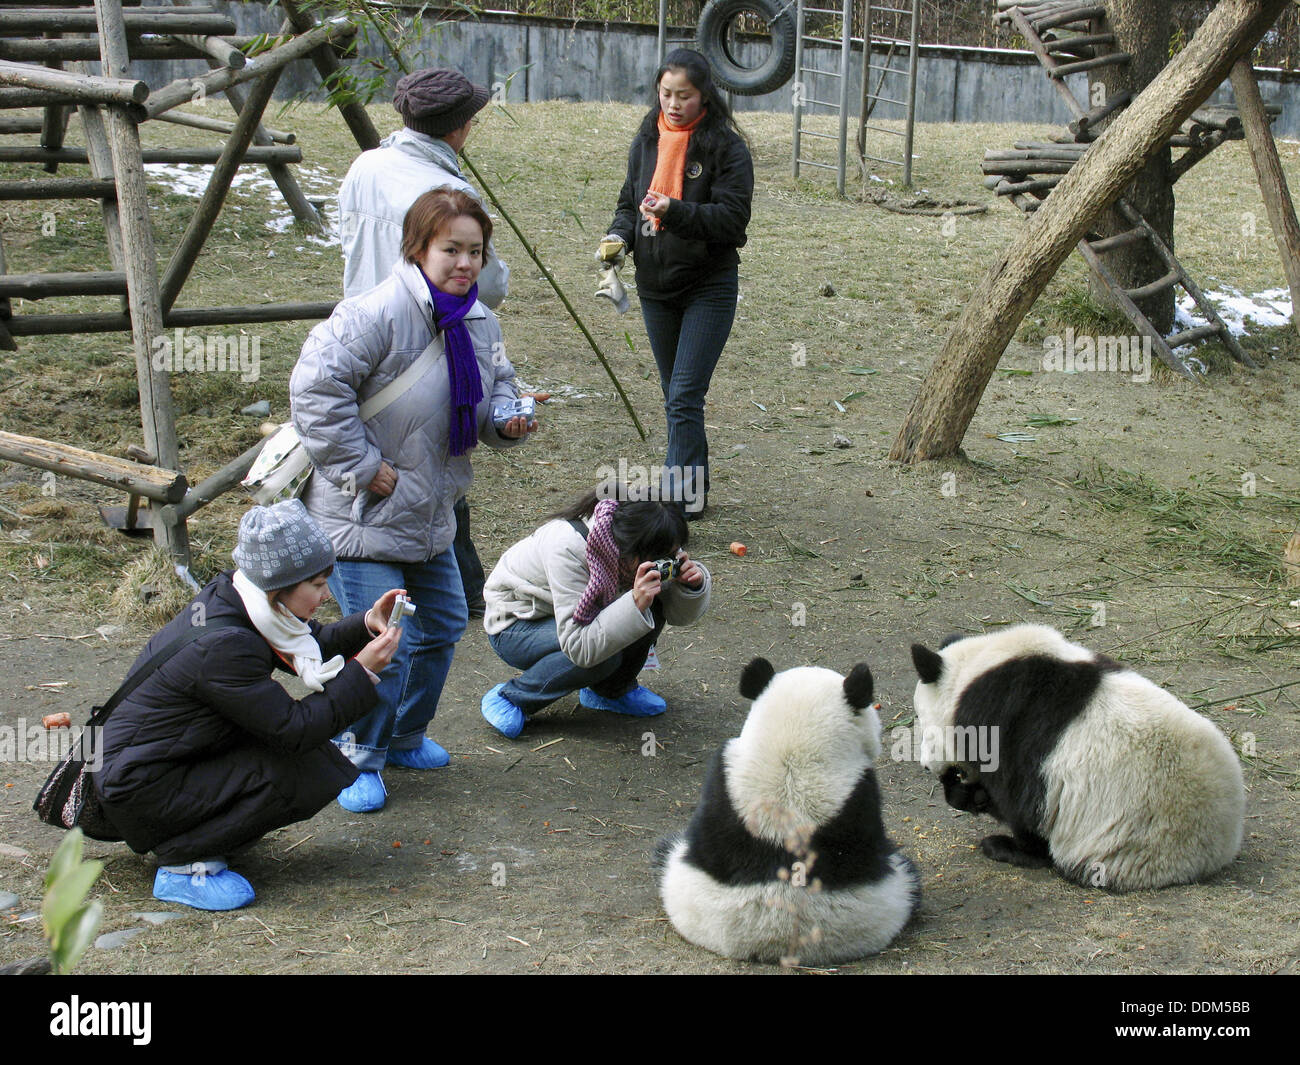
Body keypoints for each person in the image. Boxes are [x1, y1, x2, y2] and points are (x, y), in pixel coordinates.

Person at [292, 187, 536, 813]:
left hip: (431, 513)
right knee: (387, 643)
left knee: (447, 624)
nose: (464, 263)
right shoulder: (373, 314)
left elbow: (496, 387)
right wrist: (362, 465)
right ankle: (356, 754)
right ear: (418, 248)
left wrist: (506, 419)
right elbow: (316, 387)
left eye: (475, 251)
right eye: (450, 249)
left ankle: (403, 735)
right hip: (360, 516)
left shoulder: (478, 320)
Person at [92, 499, 404, 911]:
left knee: (312, 763)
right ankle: (183, 864)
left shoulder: (241, 601)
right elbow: (294, 731)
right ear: (280, 587)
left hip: (154, 762)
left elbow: (309, 646)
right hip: (139, 786)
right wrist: (360, 673)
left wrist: (365, 623)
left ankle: (205, 834)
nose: (326, 594)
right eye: (316, 584)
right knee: (302, 771)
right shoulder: (227, 645)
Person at [340, 66, 509, 615]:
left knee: (384, 448)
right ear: (459, 127)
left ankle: (443, 581)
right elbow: (489, 286)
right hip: (422, 338)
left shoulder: (365, 166)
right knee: (431, 452)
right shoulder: (450, 193)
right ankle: (438, 589)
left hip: (360, 326)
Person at [600, 48, 753, 520]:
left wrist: (675, 210)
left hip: (708, 285)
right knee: (676, 398)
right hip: (655, 289)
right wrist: (618, 236)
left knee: (685, 394)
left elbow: (733, 222)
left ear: (704, 94)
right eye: (665, 93)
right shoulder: (647, 139)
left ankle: (671, 505)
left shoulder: (725, 148)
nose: (671, 103)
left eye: (683, 95)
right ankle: (693, 492)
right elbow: (630, 201)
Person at [479, 487, 711, 738]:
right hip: (515, 623)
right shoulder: (568, 547)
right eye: (660, 557)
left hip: (567, 615)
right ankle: (513, 698)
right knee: (603, 655)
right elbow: (579, 645)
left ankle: (612, 690)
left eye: (672, 554)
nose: (665, 563)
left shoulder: (634, 547)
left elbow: (679, 617)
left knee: (651, 605)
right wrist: (633, 603)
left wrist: (690, 586)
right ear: (632, 547)